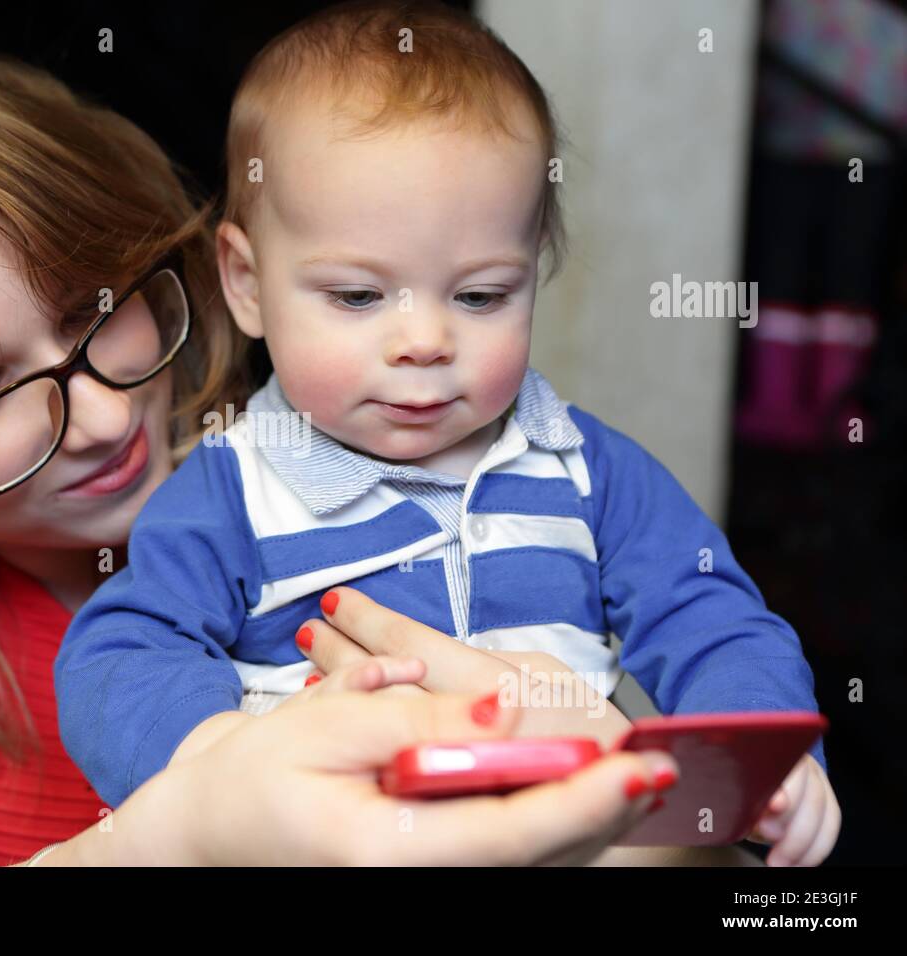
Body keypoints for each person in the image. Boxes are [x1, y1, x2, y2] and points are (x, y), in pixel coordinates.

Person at [0, 45, 674, 867]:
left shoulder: (310, 472)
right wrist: (182, 827)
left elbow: (689, 839)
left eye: (99, 307)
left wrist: (591, 764)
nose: (108, 417)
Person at [55, 1, 840, 866]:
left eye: (479, 296)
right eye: (357, 297)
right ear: (245, 282)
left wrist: (762, 757)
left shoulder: (585, 471)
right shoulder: (232, 491)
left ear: (534, 267)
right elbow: (120, 654)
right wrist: (217, 766)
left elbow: (710, 615)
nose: (424, 342)